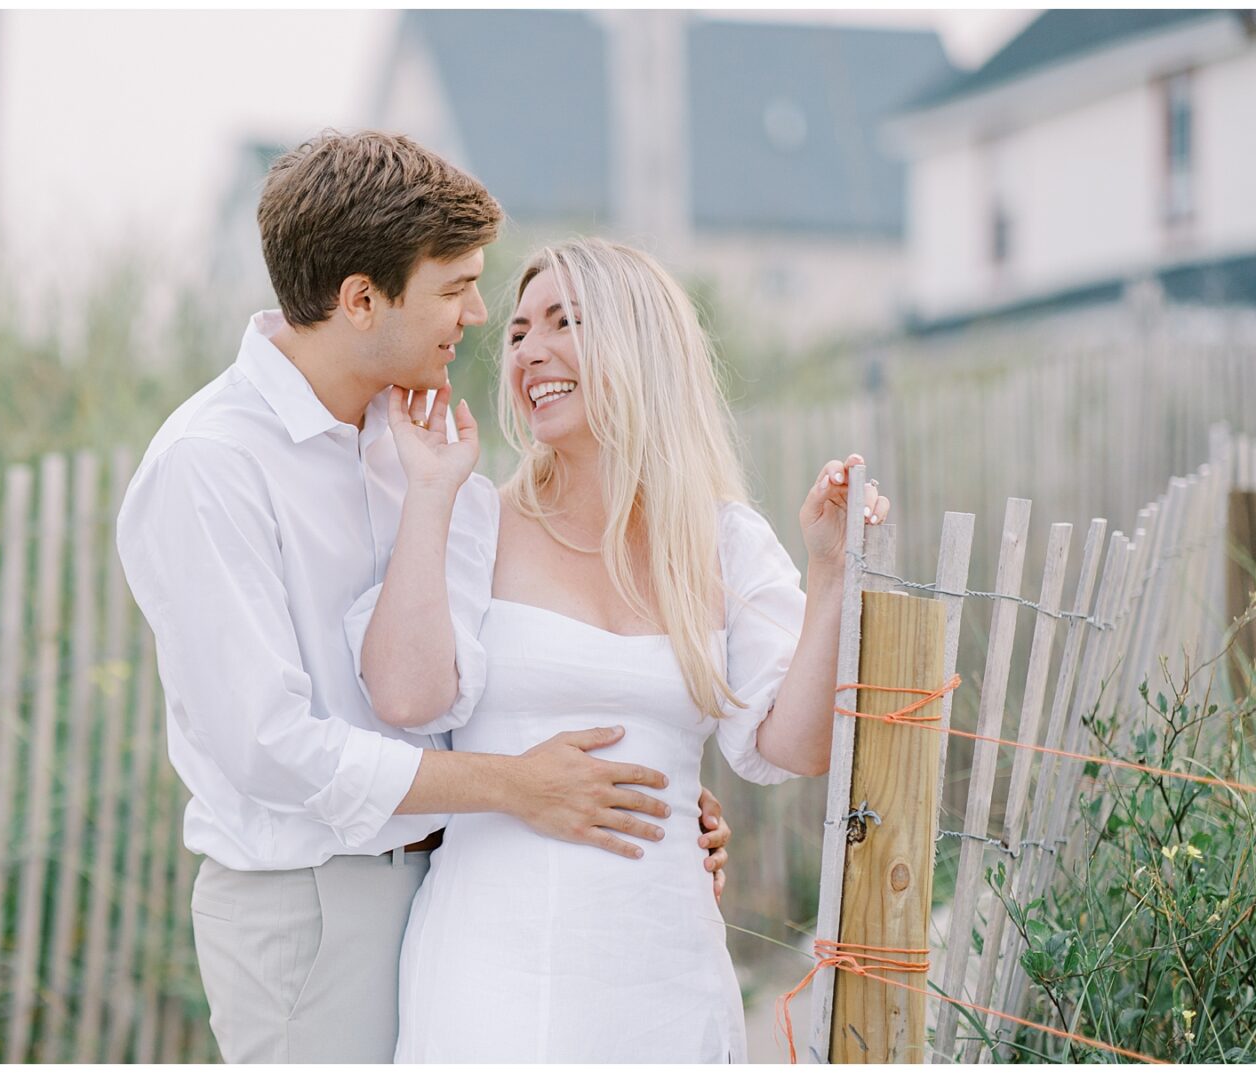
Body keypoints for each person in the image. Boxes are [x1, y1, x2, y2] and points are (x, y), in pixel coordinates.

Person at [115, 132, 732, 1064]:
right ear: (362, 299)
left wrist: (640, 780)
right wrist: (519, 786)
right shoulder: (211, 467)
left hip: (449, 883)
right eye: (454, 288)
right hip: (313, 906)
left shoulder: (409, 431)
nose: (480, 316)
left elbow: (453, 679)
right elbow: (272, 748)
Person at [351, 238, 890, 1062]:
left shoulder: (722, 539)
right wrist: (430, 494)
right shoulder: (477, 521)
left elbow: (794, 744)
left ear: (640, 346)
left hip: (660, 962)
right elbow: (405, 697)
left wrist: (828, 569)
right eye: (522, 330)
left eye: (566, 321)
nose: (531, 351)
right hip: (492, 965)